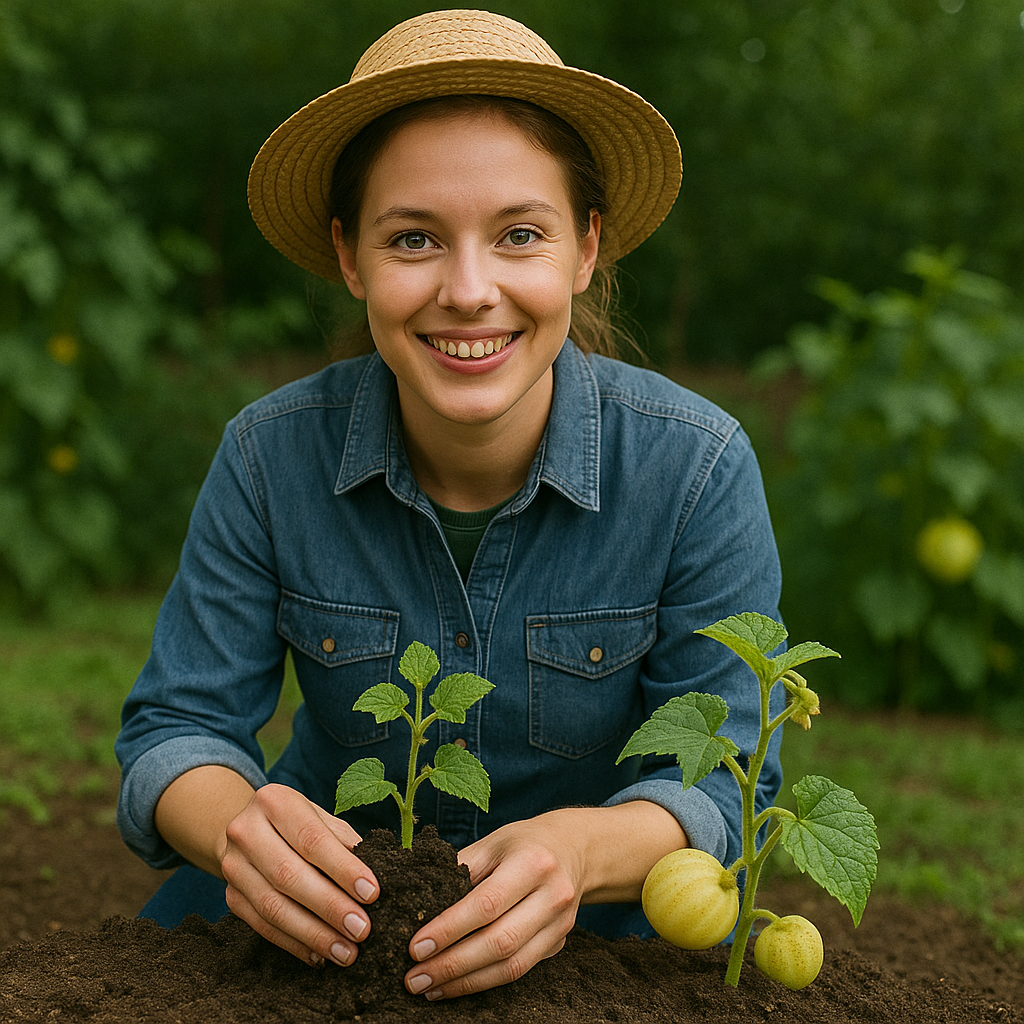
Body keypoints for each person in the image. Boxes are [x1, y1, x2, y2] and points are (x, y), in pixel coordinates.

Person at [115, 9, 783, 1002]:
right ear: (351, 257)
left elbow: (729, 776)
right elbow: (177, 728)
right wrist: (239, 828)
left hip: (596, 954)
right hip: (325, 938)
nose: (469, 290)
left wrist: (582, 849)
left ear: (584, 248)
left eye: (520, 234)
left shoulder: (696, 469)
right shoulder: (268, 457)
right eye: (414, 238)